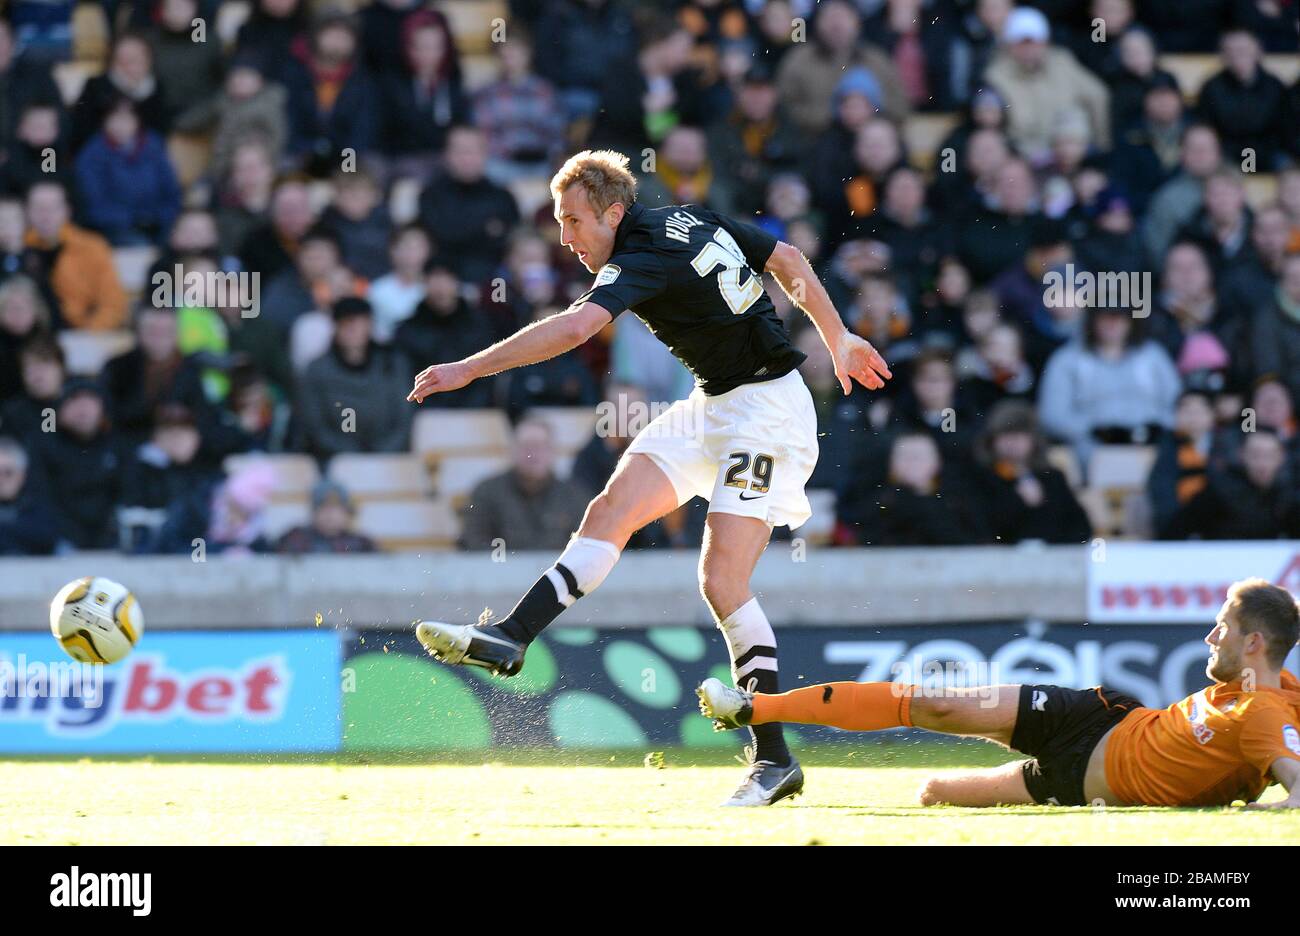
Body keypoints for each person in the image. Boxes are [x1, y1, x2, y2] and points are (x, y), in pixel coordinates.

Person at [409, 149, 892, 806]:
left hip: (767, 413)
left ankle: (775, 759)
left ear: (613, 212)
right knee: (610, 510)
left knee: (721, 581)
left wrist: (467, 369)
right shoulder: (688, 220)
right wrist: (836, 337)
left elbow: (578, 327)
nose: (565, 237)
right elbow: (786, 259)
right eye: (559, 222)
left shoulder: (642, 256)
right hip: (713, 403)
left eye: (573, 221)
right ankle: (511, 637)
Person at [697, 578, 1300, 809]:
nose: (1209, 635)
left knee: (932, 794)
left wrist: (1268, 805)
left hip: (1069, 787)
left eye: (1223, 626)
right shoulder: (1282, 694)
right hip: (1095, 717)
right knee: (938, 702)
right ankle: (754, 708)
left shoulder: (1264, 715)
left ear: (1254, 644)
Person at [458, 417, 590, 552]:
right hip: (501, 572)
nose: (532, 453)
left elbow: (584, 547)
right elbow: (474, 543)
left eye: (540, 446)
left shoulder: (575, 497)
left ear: (552, 451)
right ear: (512, 451)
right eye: (526, 446)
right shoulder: (487, 493)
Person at [277, 479, 377, 554]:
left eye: (336, 507)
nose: (330, 513)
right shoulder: (296, 538)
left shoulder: (362, 544)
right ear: (313, 512)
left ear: (347, 512)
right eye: (323, 506)